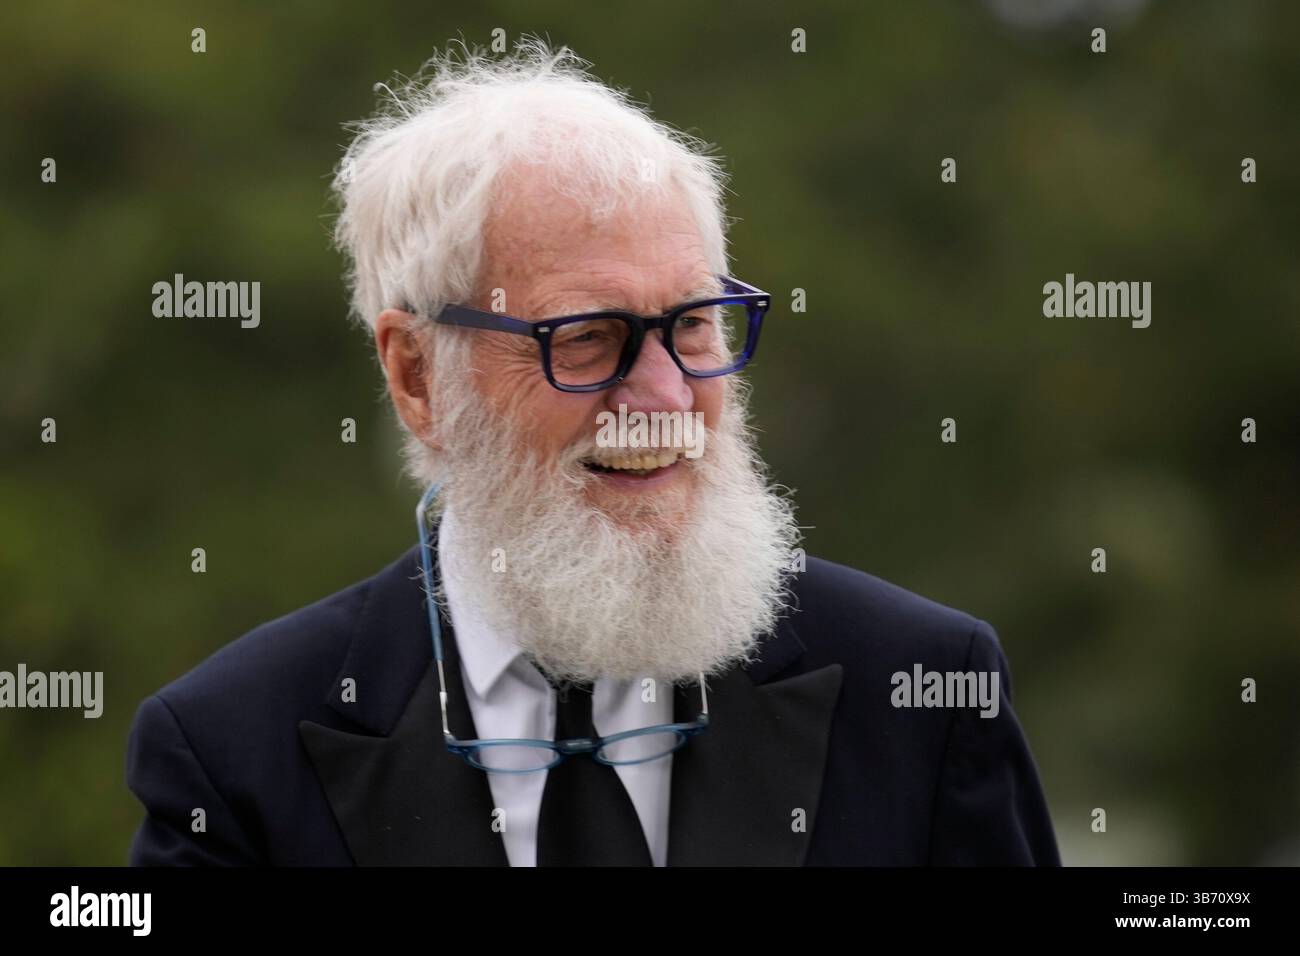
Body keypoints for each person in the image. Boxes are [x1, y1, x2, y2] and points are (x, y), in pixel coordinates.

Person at [126, 39, 1059, 866]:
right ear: (416, 376)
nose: (662, 396)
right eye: (586, 336)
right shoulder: (231, 755)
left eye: (692, 325)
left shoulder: (923, 692)